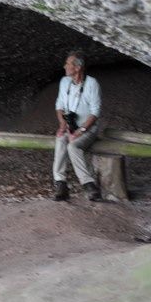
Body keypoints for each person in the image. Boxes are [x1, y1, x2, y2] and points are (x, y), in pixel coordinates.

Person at [52, 51, 102, 201]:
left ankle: (89, 186)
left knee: (73, 146)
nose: (65, 66)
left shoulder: (92, 84)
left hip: (88, 128)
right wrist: (62, 124)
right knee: (61, 140)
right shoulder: (64, 82)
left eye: (68, 64)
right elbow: (59, 106)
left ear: (78, 67)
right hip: (70, 127)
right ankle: (60, 184)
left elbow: (95, 112)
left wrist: (81, 130)